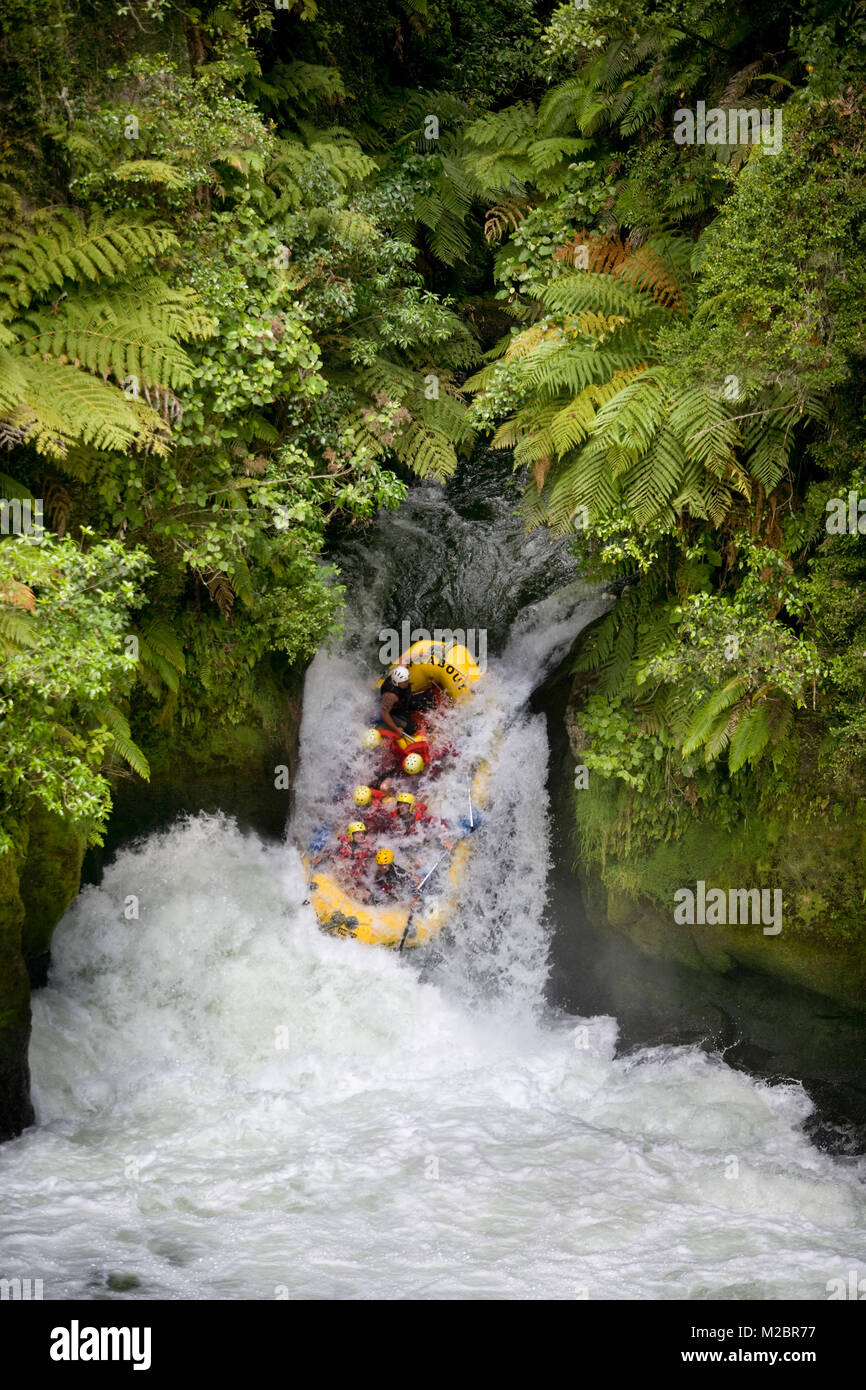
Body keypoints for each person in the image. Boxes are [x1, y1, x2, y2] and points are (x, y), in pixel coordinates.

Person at [379, 665, 418, 736]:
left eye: (407, 680)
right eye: (404, 681)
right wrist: (396, 729)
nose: (407, 682)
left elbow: (404, 660)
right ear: (396, 682)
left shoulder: (399, 675)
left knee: (429, 697)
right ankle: (386, 727)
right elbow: (384, 713)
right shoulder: (390, 696)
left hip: (404, 701)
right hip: (395, 712)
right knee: (412, 728)